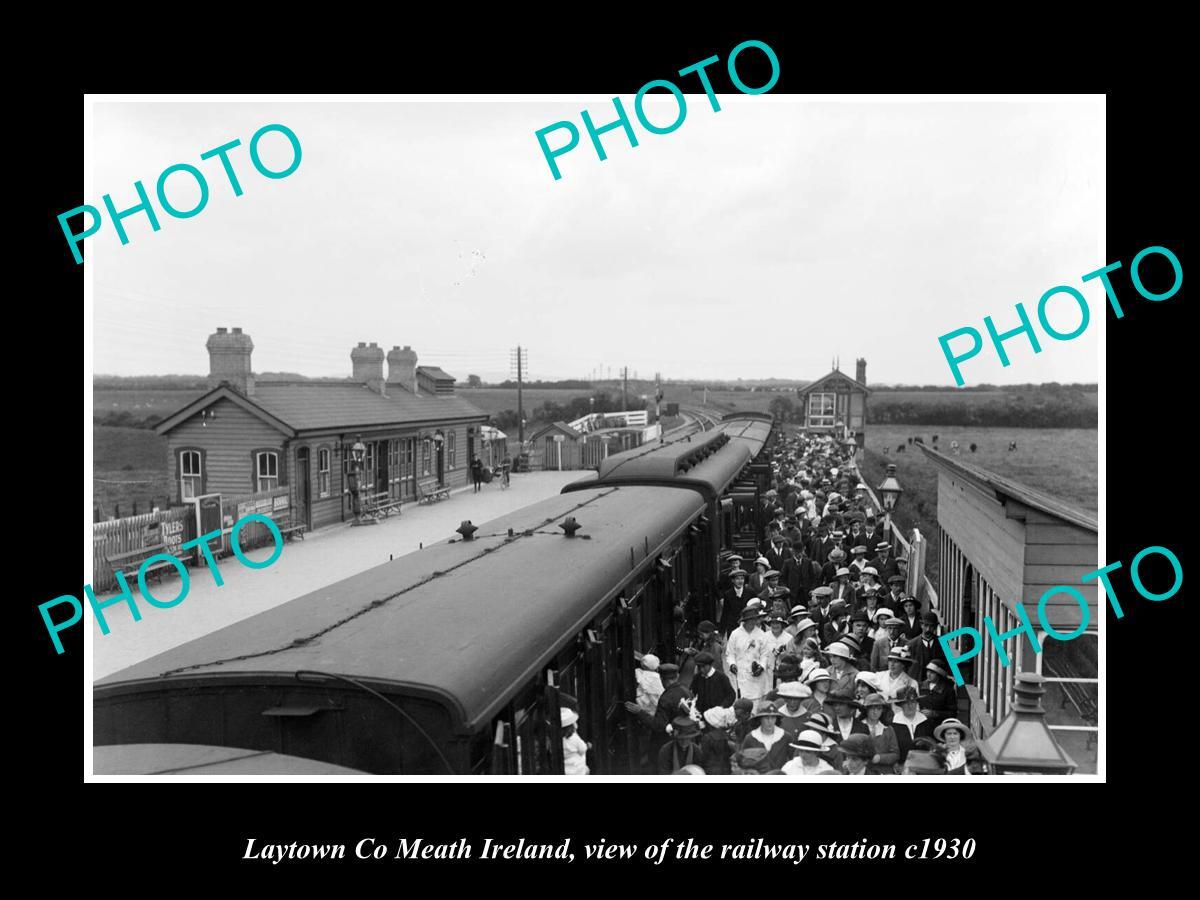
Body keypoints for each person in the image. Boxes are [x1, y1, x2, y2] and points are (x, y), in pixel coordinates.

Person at [725, 603, 770, 700]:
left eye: (755, 619)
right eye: (750, 619)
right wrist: (732, 664)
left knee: (757, 702)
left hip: (756, 675)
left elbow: (765, 655)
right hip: (741, 675)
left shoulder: (761, 634)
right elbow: (730, 653)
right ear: (745, 620)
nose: (753, 621)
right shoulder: (735, 634)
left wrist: (761, 667)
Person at [738, 701, 792, 772]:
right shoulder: (751, 738)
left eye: (773, 717)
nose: (770, 721)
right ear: (760, 719)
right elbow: (743, 763)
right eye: (766, 718)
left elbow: (793, 761)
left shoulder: (786, 737)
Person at [891, 685, 934, 765]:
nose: (910, 706)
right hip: (901, 765)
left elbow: (932, 745)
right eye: (906, 703)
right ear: (901, 705)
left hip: (923, 764)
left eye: (913, 702)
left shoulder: (925, 721)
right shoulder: (893, 723)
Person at [860, 693, 900, 773]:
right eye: (872, 708)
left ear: (883, 710)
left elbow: (895, 755)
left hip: (885, 771)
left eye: (879, 709)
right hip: (863, 771)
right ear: (866, 709)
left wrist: (880, 758)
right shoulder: (858, 727)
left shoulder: (888, 729)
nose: (875, 712)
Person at [699, 706, 738, 774]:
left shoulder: (708, 738)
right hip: (725, 770)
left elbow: (703, 757)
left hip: (710, 771)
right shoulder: (726, 735)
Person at [921, 661, 958, 725]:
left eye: (932, 673)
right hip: (921, 724)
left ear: (939, 674)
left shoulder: (948, 690)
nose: (928, 675)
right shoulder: (920, 686)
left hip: (939, 725)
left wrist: (934, 713)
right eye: (928, 671)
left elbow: (953, 713)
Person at [719, 569, 755, 637]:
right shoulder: (728, 594)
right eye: (737, 579)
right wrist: (721, 631)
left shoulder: (750, 592)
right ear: (733, 580)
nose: (740, 581)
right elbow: (725, 613)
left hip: (747, 625)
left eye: (742, 579)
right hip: (733, 626)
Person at [561, 707, 590, 775]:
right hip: (577, 768)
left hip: (566, 769)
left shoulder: (559, 739)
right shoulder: (574, 738)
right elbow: (583, 749)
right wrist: (587, 746)